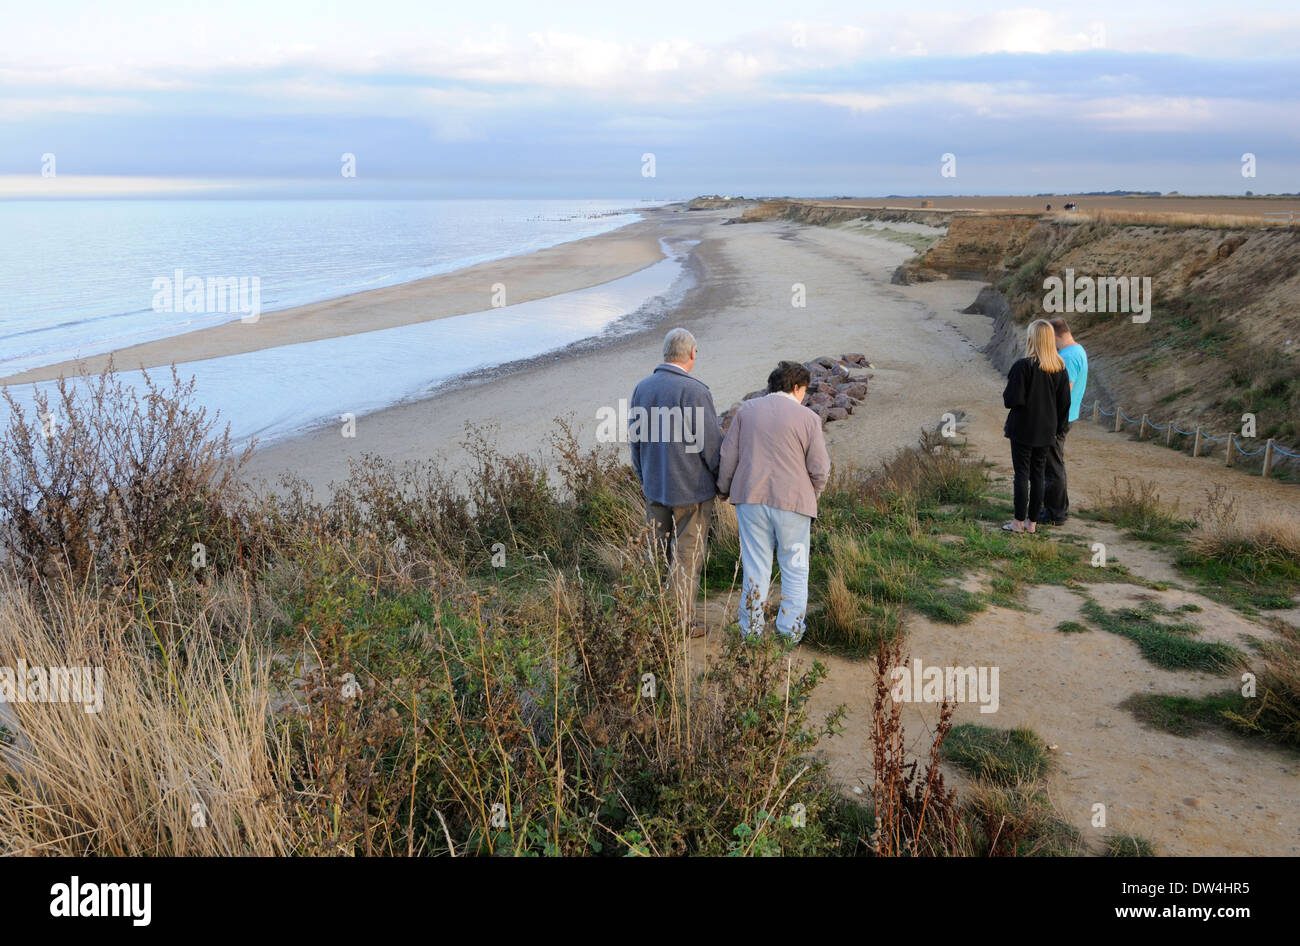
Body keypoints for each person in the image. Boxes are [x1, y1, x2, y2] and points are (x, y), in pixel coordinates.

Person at [716, 360, 831, 643]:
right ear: (795, 387)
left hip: (750, 498)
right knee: (795, 567)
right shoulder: (808, 419)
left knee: (755, 566)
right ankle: (789, 633)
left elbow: (727, 455)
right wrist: (811, 496)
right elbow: (820, 469)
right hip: (794, 502)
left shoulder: (746, 411)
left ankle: (751, 631)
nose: (804, 395)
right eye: (803, 389)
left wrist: (723, 488)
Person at [629, 328, 722, 637]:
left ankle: (649, 616)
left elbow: (636, 441)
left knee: (654, 555)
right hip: (691, 491)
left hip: (655, 487)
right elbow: (710, 445)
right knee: (686, 556)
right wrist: (722, 481)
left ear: (665, 354)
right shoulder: (695, 392)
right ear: (692, 354)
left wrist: (644, 478)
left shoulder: (642, 388)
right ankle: (679, 623)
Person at [1002, 320, 1070, 534]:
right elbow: (1064, 404)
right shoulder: (1059, 368)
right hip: (1046, 431)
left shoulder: (1023, 366)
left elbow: (1011, 400)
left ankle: (1018, 522)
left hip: (1023, 428)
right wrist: (1058, 428)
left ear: (1032, 339)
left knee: (1022, 474)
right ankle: (1032, 523)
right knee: (1038, 475)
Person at [1040, 317, 1088, 525]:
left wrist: (1050, 422)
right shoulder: (1078, 350)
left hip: (1059, 419)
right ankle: (1058, 509)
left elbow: (1062, 393)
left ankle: (1055, 513)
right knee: (1054, 465)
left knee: (1052, 467)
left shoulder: (1067, 357)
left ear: (1054, 336)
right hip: (1068, 416)